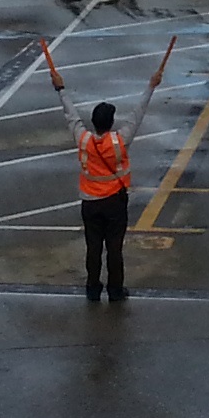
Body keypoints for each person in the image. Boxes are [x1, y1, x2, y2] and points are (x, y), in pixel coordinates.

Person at [76, 101, 131, 302]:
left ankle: (92, 288)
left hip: (90, 202)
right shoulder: (120, 141)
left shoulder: (83, 140)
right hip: (114, 201)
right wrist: (151, 86)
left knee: (93, 246)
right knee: (114, 247)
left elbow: (70, 115)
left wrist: (61, 89)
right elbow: (138, 114)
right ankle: (115, 289)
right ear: (111, 122)